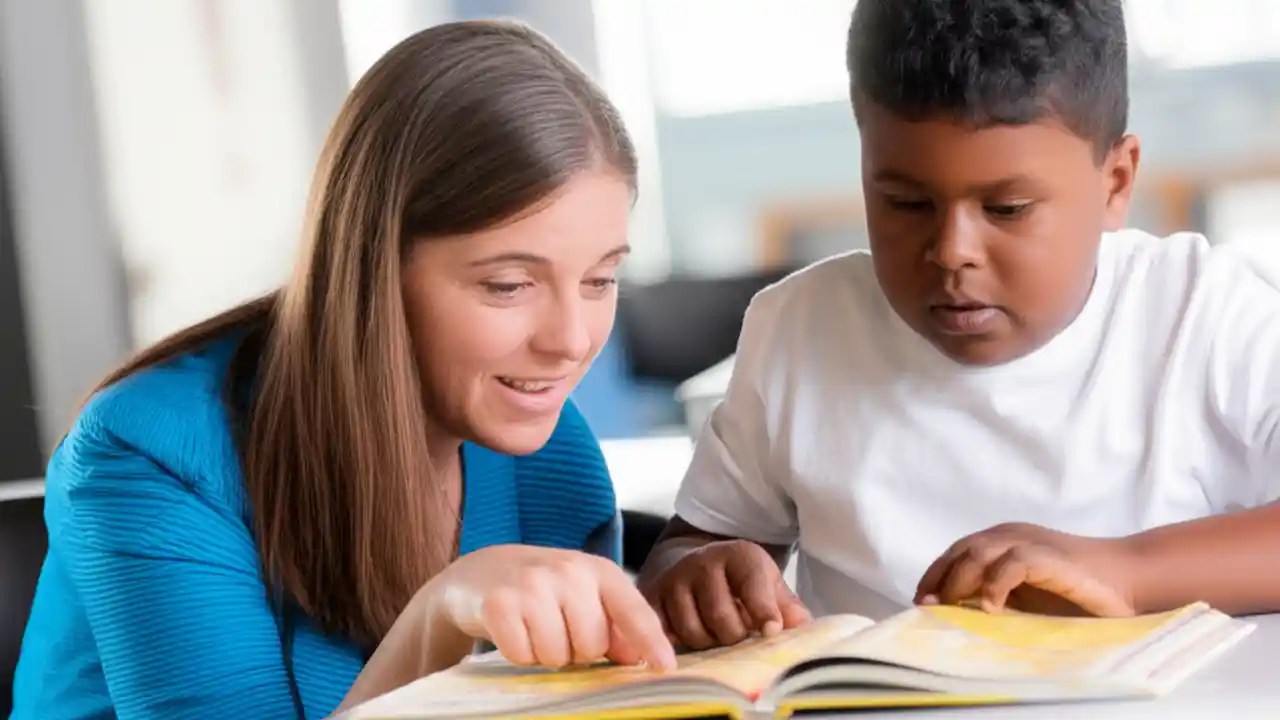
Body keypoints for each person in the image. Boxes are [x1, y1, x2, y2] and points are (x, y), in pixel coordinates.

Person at [12, 19, 675, 719]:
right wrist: (437, 620)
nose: (570, 341)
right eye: (508, 285)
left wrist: (689, 574)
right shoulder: (153, 453)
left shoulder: (549, 451)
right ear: (374, 269)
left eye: (600, 280)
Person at [637, 0, 1280, 652]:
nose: (951, 251)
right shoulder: (799, 330)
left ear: (1115, 183)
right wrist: (697, 576)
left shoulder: (1204, 314)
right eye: (906, 203)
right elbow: (687, 551)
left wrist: (1126, 573)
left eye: (1008, 208)